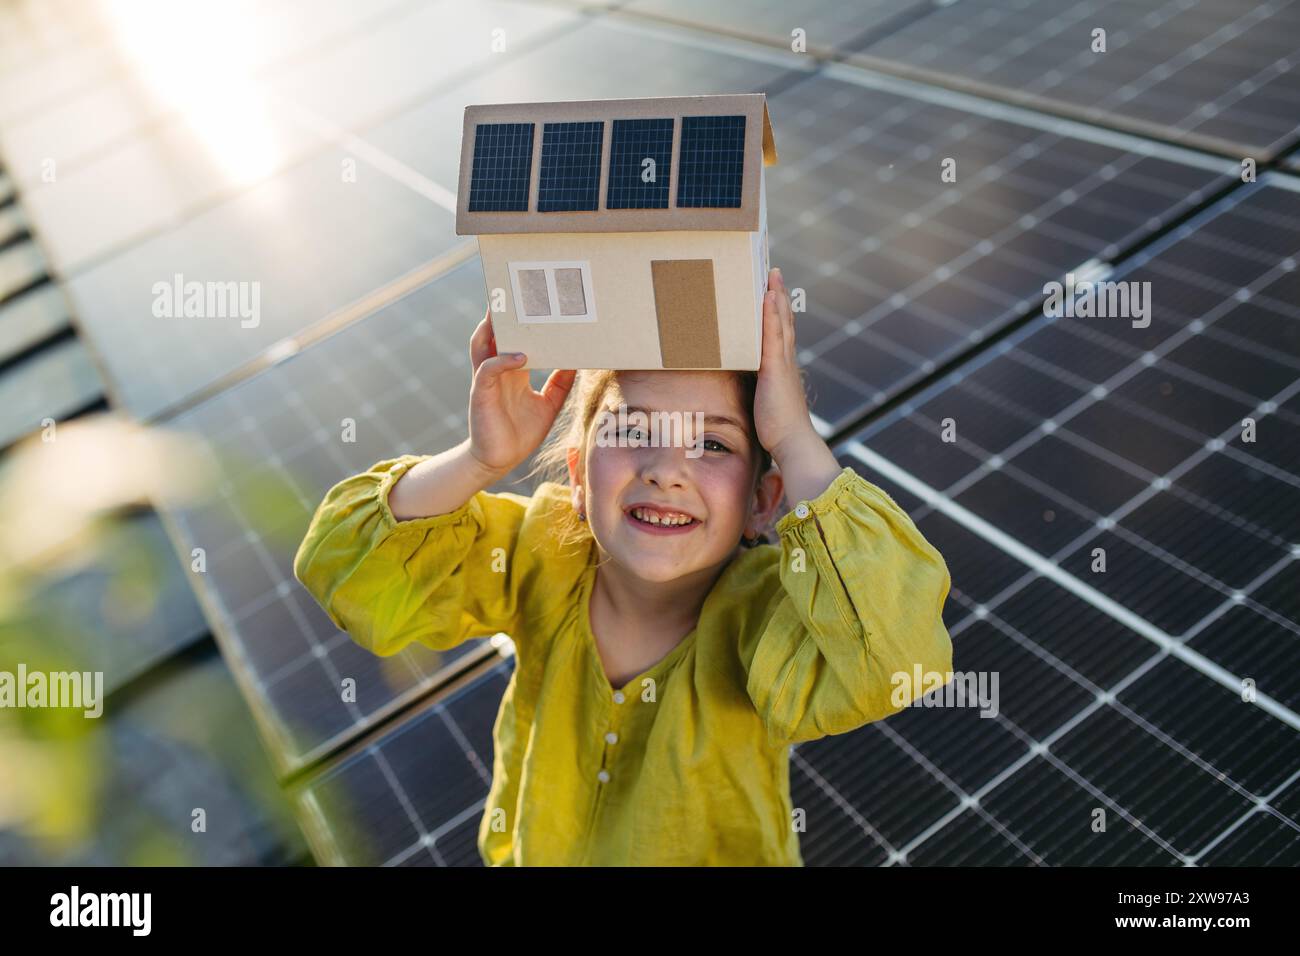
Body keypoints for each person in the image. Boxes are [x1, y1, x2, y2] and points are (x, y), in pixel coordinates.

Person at [294, 267, 954, 865]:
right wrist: (480, 460)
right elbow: (347, 569)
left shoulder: (766, 616)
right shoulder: (538, 551)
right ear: (579, 478)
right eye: (631, 430)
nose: (666, 469)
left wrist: (793, 437)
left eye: (712, 443)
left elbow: (899, 659)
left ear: (762, 502)